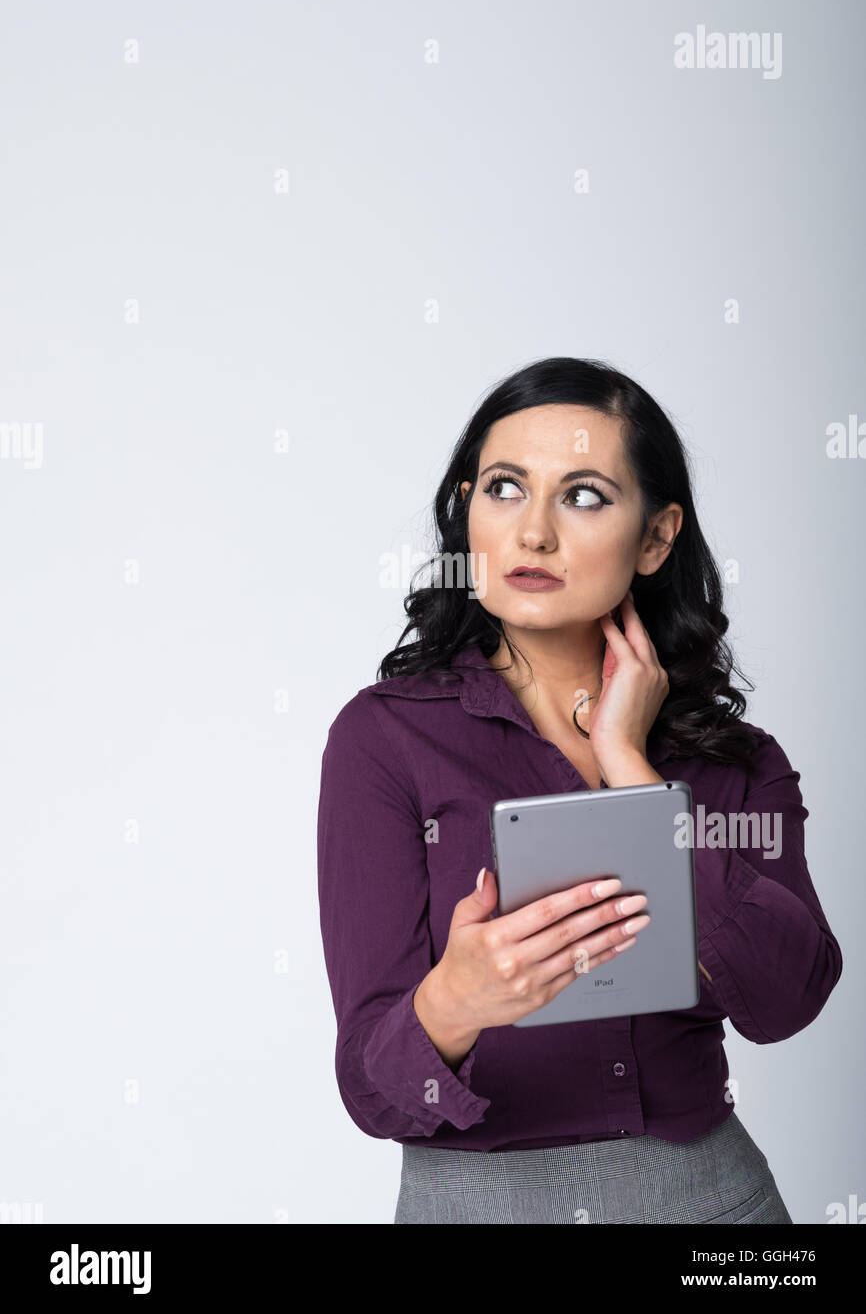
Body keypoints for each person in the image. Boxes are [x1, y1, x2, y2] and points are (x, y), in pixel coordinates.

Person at [316, 356, 843, 1224]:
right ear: (466, 510)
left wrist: (634, 772)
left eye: (585, 495)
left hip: (717, 1209)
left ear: (656, 537)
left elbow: (790, 1000)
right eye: (505, 488)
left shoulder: (737, 760)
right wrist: (456, 1000)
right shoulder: (383, 739)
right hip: (472, 1206)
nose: (533, 534)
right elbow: (372, 1092)